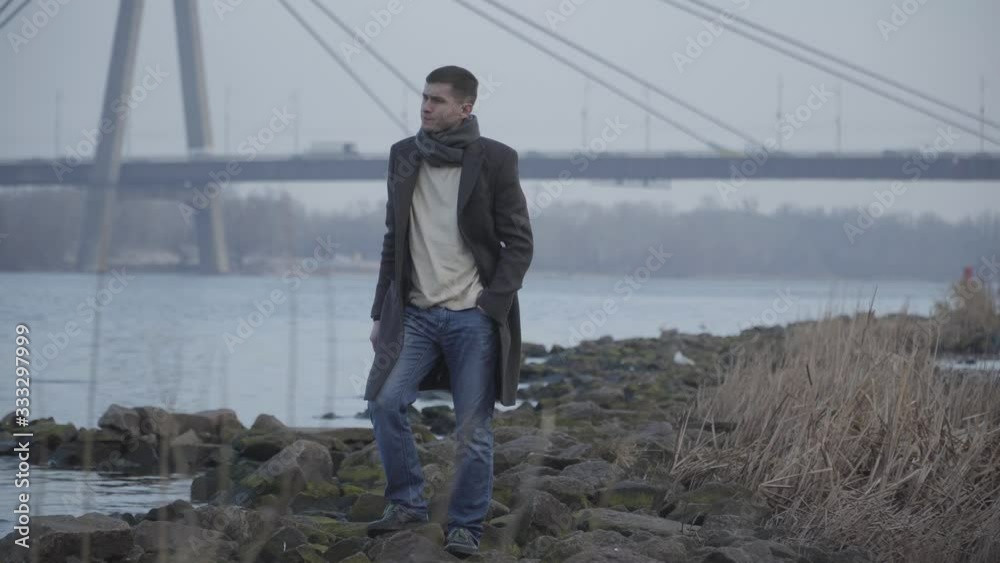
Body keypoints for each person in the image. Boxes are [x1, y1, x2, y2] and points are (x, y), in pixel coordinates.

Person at [362, 65, 534, 557]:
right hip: (413, 315)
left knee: (472, 431)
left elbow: (519, 243)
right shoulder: (403, 155)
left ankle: (465, 525)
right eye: (424, 97)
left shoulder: (497, 160)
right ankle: (407, 504)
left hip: (471, 318)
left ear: (465, 107)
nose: (425, 107)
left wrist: (490, 305)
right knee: (384, 402)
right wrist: (380, 315)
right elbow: (394, 240)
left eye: (437, 100)